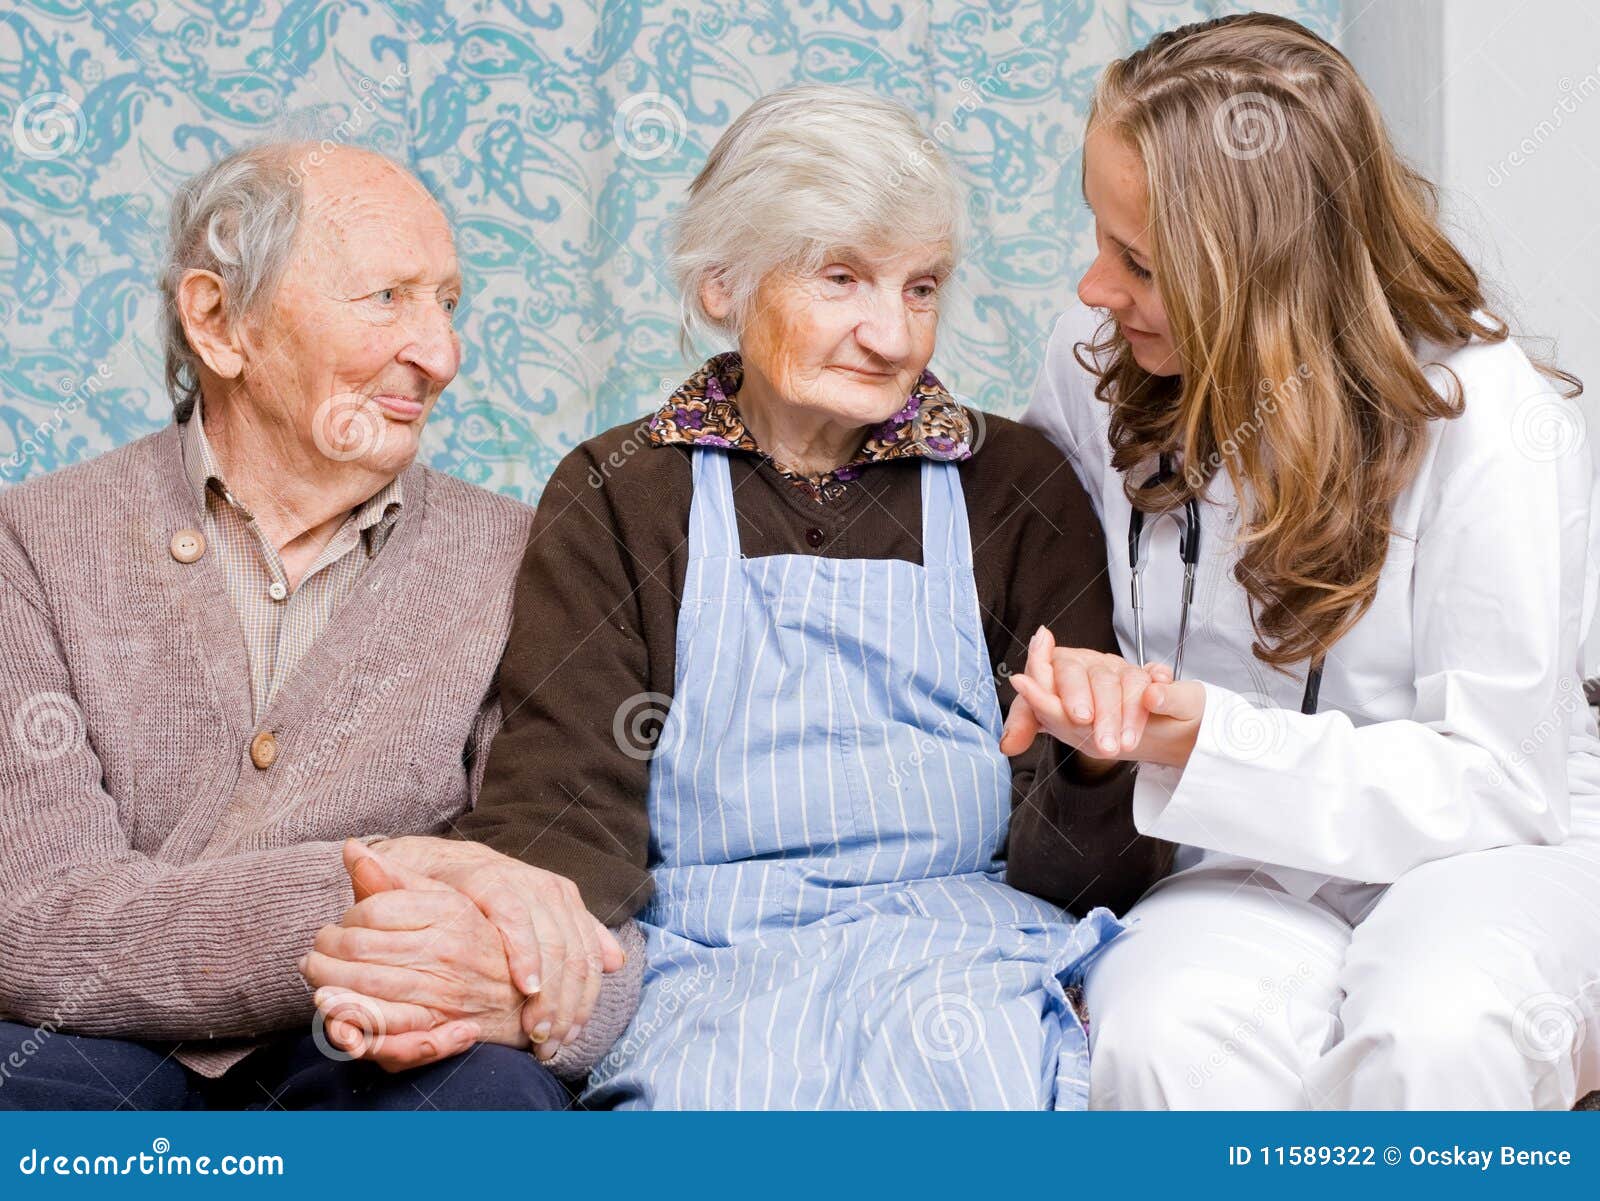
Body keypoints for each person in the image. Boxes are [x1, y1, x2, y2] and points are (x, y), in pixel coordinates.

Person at [320, 84, 1174, 1110]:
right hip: (711, 963)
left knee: (971, 1080)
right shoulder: (621, 488)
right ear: (723, 283)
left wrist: (1091, 760)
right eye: (843, 278)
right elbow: (564, 800)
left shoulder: (1016, 483)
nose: (892, 335)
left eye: (920, 287)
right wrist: (503, 942)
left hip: (966, 952)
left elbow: (1088, 866)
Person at [1014, 13, 1600, 1109]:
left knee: (1437, 1030)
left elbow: (1499, 782)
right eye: (1098, 240)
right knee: (1160, 1039)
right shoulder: (1095, 359)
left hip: (1487, 848)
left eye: (1137, 260)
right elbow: (1038, 581)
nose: (1095, 289)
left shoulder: (1485, 415)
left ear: (1262, 268)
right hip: (1235, 850)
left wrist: (1213, 740)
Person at [0, 142, 639, 1110]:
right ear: (218, 322)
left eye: (448, 303)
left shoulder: (524, 558)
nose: (441, 354)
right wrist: (377, 887)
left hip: (379, 1050)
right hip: (94, 1047)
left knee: (486, 1102)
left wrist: (524, 997)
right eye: (387, 297)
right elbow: (30, 915)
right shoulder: (32, 544)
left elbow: (598, 912)